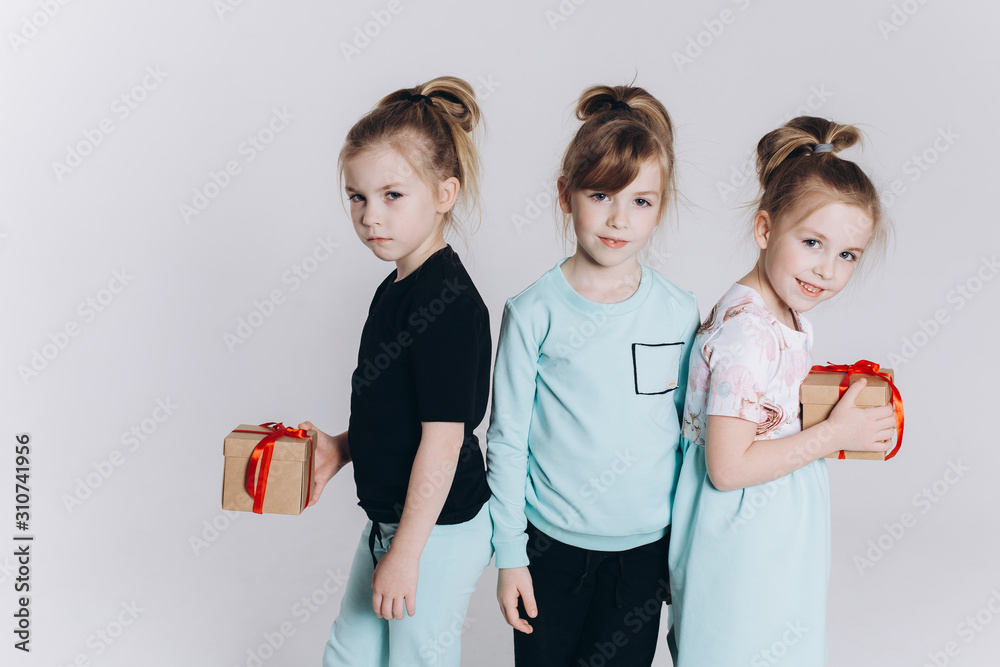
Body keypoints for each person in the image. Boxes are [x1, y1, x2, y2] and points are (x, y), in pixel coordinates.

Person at [667, 116, 896, 666]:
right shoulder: (750, 333)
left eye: (847, 255)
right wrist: (832, 434)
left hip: (771, 533)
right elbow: (728, 467)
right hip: (743, 543)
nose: (827, 269)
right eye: (812, 242)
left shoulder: (783, 312)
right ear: (766, 230)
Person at [487, 84, 699, 666]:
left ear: (662, 206)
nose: (617, 219)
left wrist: (682, 557)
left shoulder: (681, 313)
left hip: (644, 555)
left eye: (641, 201)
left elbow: (689, 439)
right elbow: (505, 440)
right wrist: (509, 554)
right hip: (548, 548)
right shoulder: (532, 312)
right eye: (601, 194)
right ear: (566, 195)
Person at [299, 76, 492, 667]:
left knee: (415, 660)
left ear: (444, 192)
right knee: (350, 654)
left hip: (436, 530)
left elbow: (442, 437)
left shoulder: (451, 304)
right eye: (357, 197)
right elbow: (399, 414)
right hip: (393, 522)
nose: (370, 216)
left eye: (391, 195)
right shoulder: (396, 290)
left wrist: (407, 553)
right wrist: (341, 447)